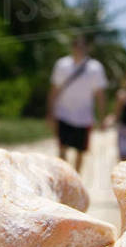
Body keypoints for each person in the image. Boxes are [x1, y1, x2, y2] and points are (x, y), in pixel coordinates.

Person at [46, 35, 108, 173]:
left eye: (82, 46)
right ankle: (64, 177)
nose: (79, 49)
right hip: (63, 113)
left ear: (87, 48)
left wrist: (102, 117)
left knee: (80, 152)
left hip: (84, 117)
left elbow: (100, 95)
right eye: (76, 45)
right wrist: (50, 113)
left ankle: (76, 178)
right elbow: (53, 91)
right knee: (62, 148)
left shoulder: (95, 68)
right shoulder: (61, 65)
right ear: (72, 47)